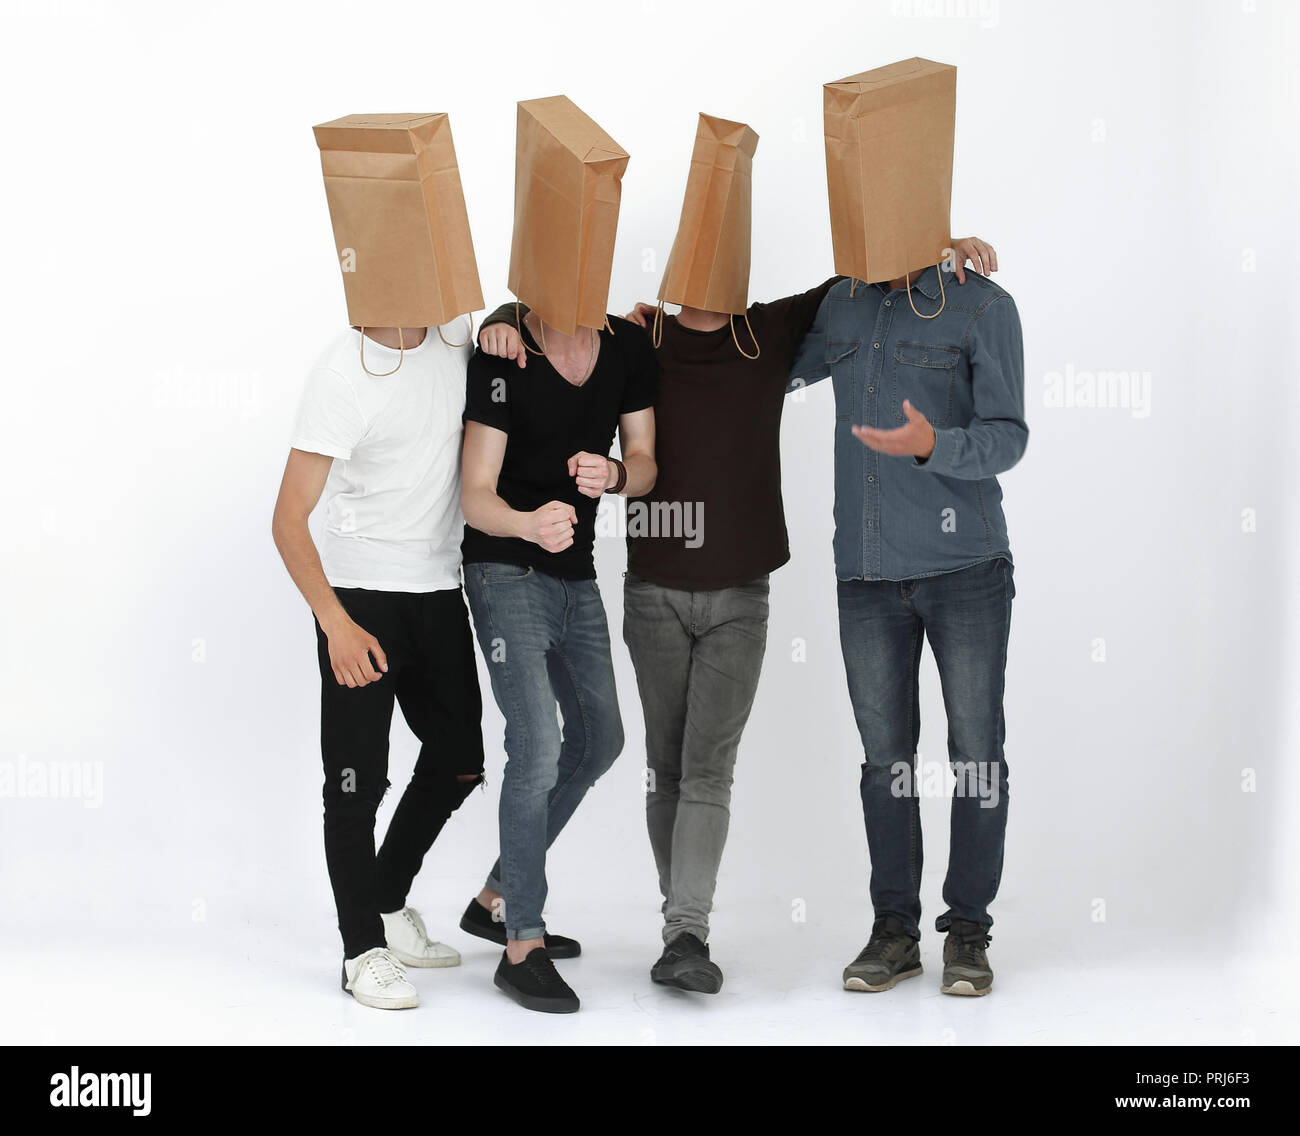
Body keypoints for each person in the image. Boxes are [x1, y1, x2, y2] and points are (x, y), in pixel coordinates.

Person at [478, 238, 996, 995]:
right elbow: (557, 317)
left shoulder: (772, 332)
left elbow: (868, 279)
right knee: (664, 767)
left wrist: (934, 248)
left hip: (742, 596)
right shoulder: (639, 336)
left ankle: (686, 932)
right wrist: (501, 314)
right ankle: (665, 922)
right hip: (653, 586)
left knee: (707, 771)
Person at [790, 246, 1025, 998]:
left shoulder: (981, 304)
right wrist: (654, 334)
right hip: (865, 575)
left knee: (977, 755)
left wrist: (936, 446)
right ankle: (895, 932)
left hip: (967, 573)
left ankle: (967, 932)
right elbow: (762, 370)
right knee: (884, 763)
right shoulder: (843, 304)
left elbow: (1009, 434)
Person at [272, 319, 486, 1010]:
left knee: (460, 759)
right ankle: (361, 950)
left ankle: (388, 902)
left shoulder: (458, 339)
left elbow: (521, 331)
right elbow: (288, 517)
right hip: (361, 597)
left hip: (438, 588)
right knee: (355, 781)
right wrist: (333, 622)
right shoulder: (341, 370)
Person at [459, 306, 657, 1013]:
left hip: (577, 575)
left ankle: (495, 898)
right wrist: (526, 524)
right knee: (537, 744)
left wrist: (614, 473)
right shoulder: (503, 350)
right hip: (503, 567)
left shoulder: (626, 345)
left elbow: (646, 463)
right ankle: (522, 947)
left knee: (600, 739)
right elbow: (473, 494)